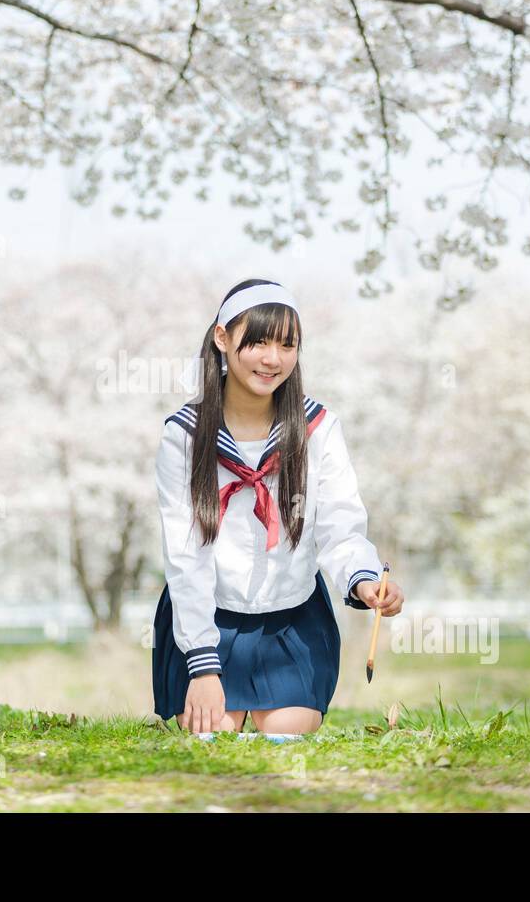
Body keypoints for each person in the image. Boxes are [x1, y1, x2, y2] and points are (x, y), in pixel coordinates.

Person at [151, 278, 404, 735]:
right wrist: (203, 669)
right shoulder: (184, 435)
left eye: (287, 345)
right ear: (222, 338)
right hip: (207, 619)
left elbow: (339, 526)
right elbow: (186, 557)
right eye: (259, 342)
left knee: (284, 735)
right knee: (213, 736)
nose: (273, 359)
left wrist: (364, 580)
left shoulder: (318, 428)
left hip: (291, 619)